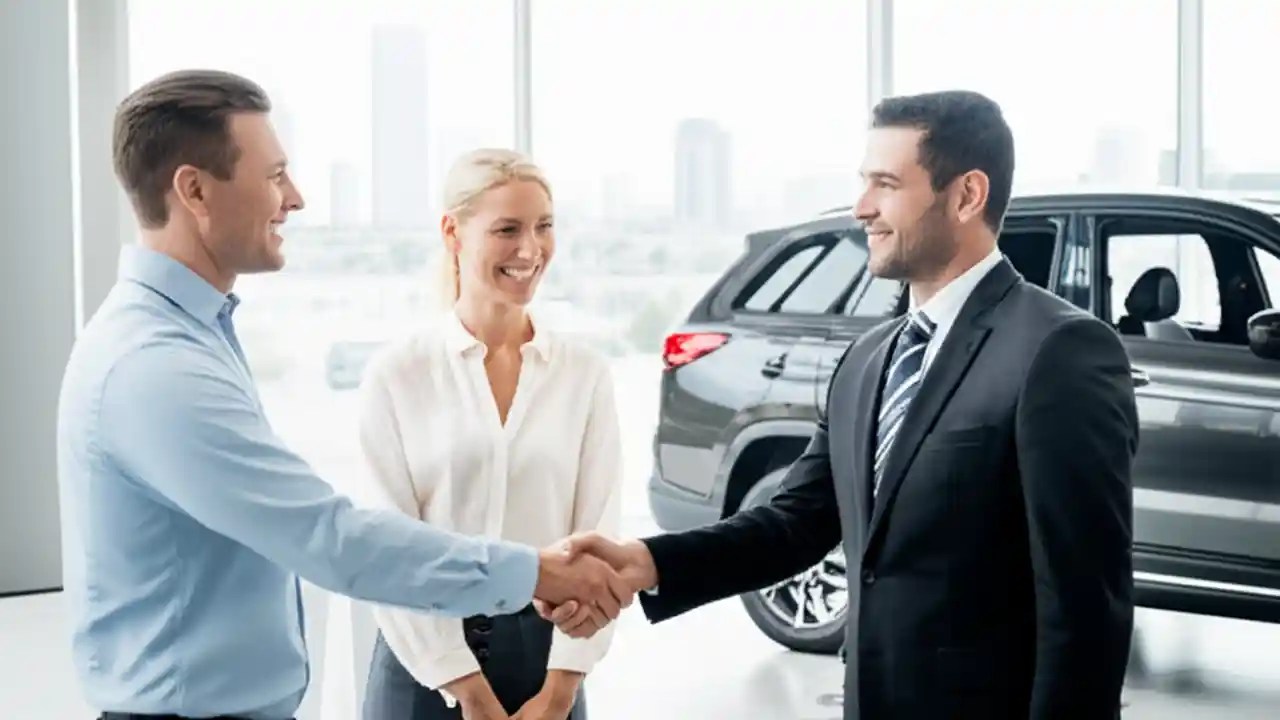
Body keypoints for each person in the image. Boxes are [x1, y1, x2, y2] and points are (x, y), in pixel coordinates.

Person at [541, 90, 1140, 719]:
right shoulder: (868, 359)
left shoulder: (1058, 350)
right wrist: (645, 562)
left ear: (967, 195)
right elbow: (796, 523)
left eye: (886, 184)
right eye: (864, 182)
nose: (862, 208)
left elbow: (1085, 608)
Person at [55, 69, 628, 720]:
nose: (295, 198)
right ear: (195, 190)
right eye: (275, 175)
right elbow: (331, 539)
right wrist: (538, 574)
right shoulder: (154, 365)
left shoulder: (190, 336)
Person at [356, 148, 620, 720]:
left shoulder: (583, 373)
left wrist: (561, 689)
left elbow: (600, 537)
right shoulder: (398, 374)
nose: (531, 249)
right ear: (452, 232)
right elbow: (387, 549)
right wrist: (470, 693)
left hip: (548, 672)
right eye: (507, 229)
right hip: (423, 669)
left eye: (543, 226)